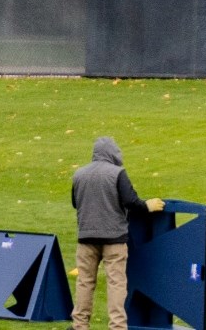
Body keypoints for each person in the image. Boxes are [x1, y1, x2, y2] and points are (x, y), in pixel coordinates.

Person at [72, 136, 166, 330]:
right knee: (116, 284)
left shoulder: (79, 174)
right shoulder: (117, 173)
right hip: (113, 239)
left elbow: (75, 202)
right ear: (113, 153)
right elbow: (130, 201)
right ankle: (117, 326)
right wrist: (147, 206)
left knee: (84, 282)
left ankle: (80, 325)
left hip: (86, 238)